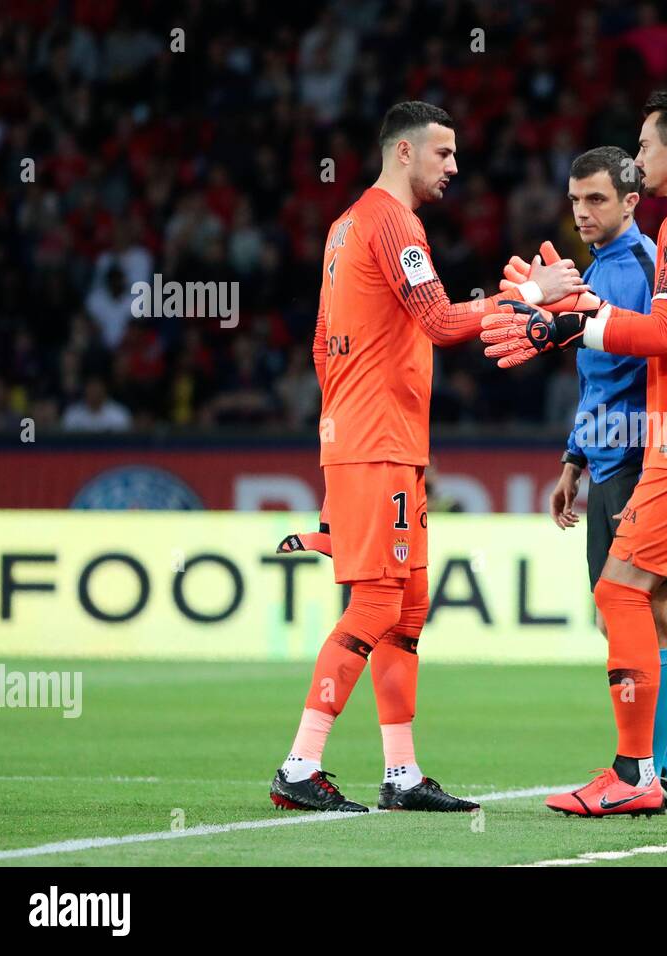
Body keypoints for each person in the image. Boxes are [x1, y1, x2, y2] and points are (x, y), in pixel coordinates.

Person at [269, 100, 586, 813]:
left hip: (381, 443)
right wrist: (534, 295)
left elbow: (323, 344)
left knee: (407, 609)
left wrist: (351, 432)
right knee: (379, 601)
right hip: (376, 444)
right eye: (443, 154)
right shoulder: (391, 223)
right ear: (404, 152)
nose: (454, 167)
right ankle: (299, 765)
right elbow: (441, 321)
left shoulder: (344, 227)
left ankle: (401, 775)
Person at [480, 91, 667, 826]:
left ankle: (634, 772)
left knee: (621, 594)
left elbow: (666, 336)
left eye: (645, 147)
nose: (639, 157)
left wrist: (571, 328)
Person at [540, 145, 667, 808]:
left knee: (654, 611)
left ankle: (641, 771)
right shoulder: (597, 269)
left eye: (597, 199)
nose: (582, 212)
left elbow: (663, 356)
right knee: (620, 619)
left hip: (645, 462)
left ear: (632, 202)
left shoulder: (643, 265)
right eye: (576, 200)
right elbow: (598, 377)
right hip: (605, 461)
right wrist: (575, 458)